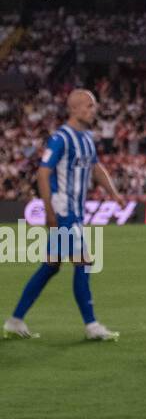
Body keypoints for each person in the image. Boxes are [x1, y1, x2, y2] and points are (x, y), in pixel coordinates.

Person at [4, 89, 124, 341]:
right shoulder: (61, 138)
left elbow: (96, 168)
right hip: (63, 210)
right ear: (76, 109)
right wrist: (49, 211)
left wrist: (113, 193)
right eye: (90, 106)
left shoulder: (87, 139)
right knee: (84, 261)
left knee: (52, 265)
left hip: (75, 212)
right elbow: (43, 173)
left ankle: (15, 320)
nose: (94, 111)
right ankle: (91, 325)